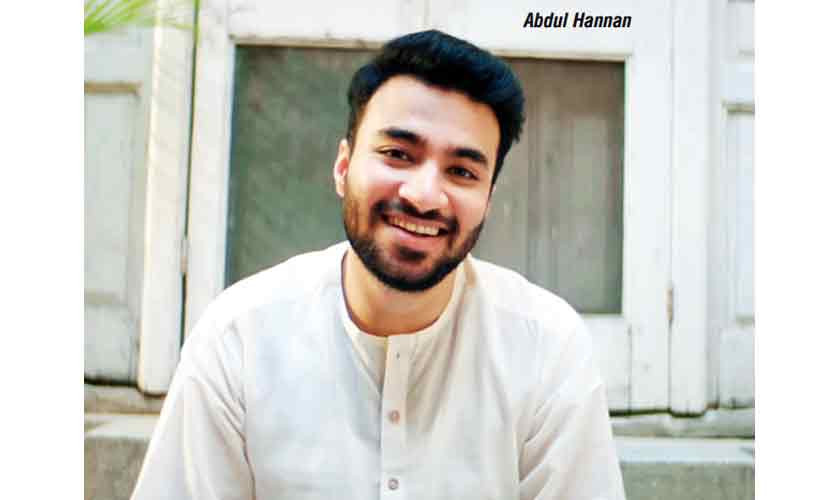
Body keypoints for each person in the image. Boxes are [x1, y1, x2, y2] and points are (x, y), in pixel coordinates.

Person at [131, 30, 626, 500]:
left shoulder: (545, 348)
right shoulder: (240, 337)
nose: (424, 196)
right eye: (397, 154)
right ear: (343, 167)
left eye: (461, 171)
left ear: (488, 198)